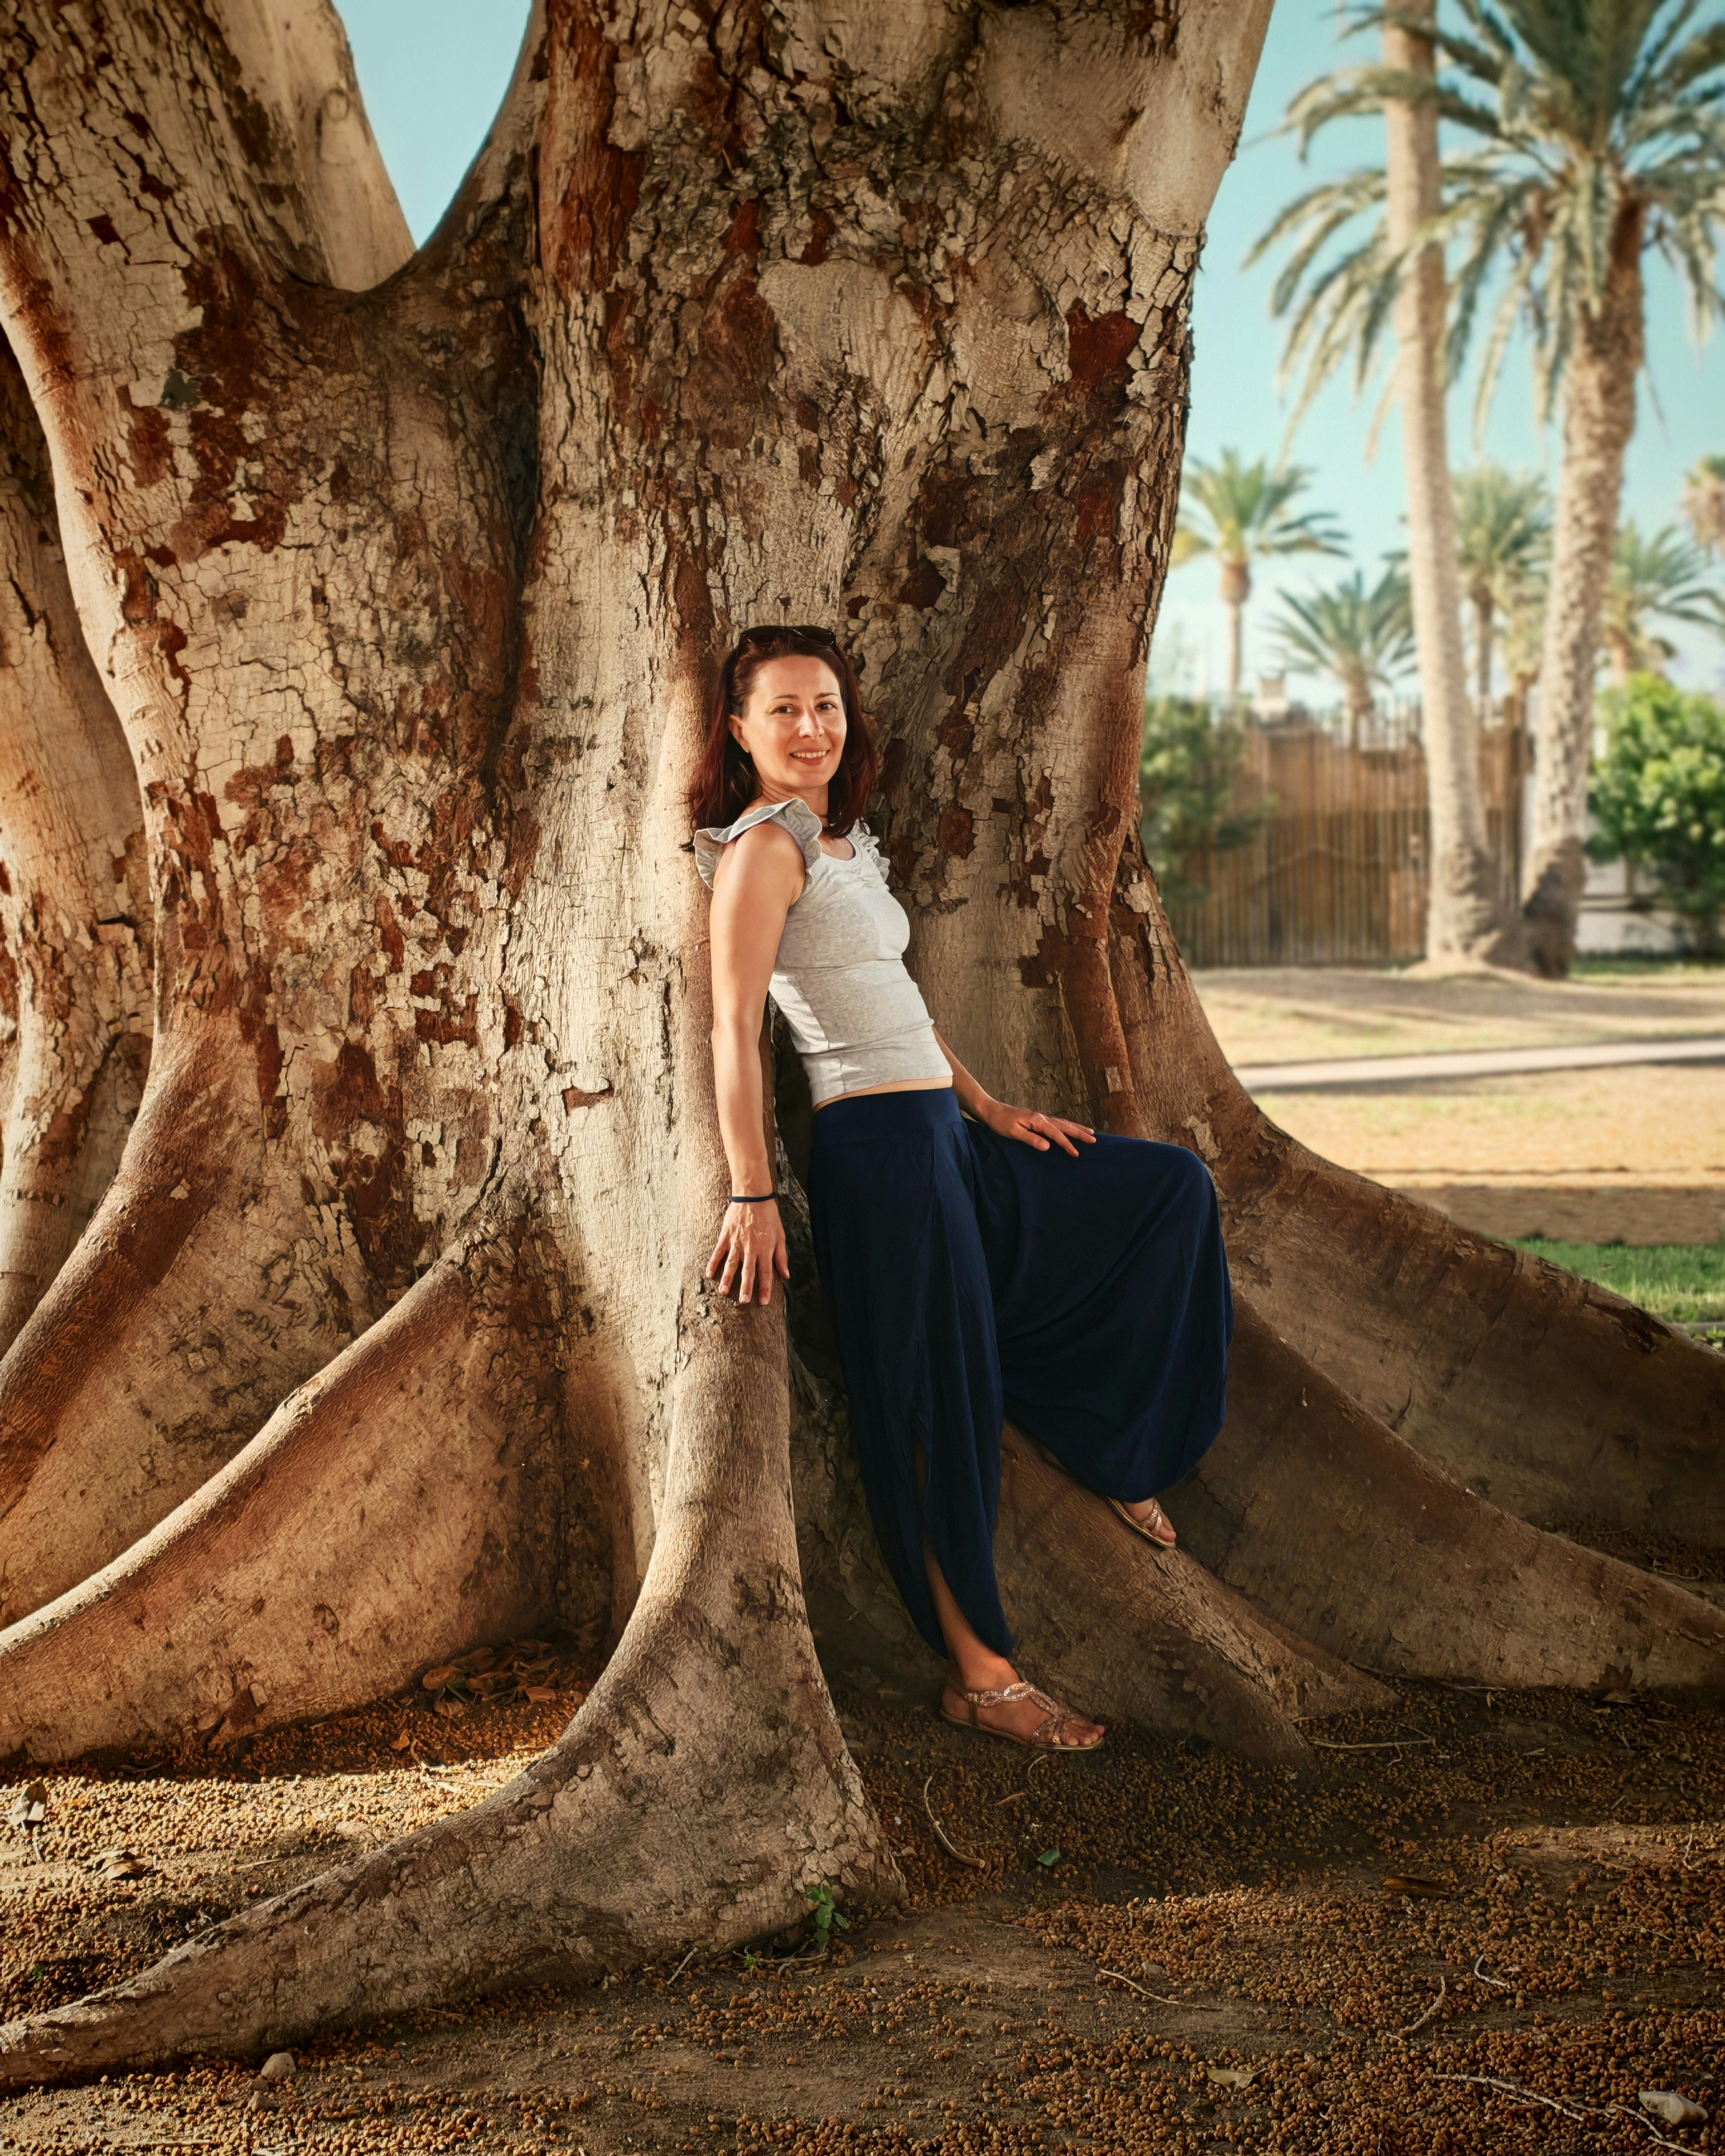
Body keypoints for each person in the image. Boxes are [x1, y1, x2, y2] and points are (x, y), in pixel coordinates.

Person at [688, 625, 1235, 1753]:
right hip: (877, 1158)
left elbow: (904, 1004)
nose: (811, 727)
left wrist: (988, 1109)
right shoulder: (759, 853)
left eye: (826, 705)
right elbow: (733, 1030)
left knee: (1165, 1193)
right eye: (784, 709)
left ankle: (1116, 1447)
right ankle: (984, 1679)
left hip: (945, 1133)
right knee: (935, 1408)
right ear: (740, 732)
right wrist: (751, 1190)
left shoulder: (843, 845)